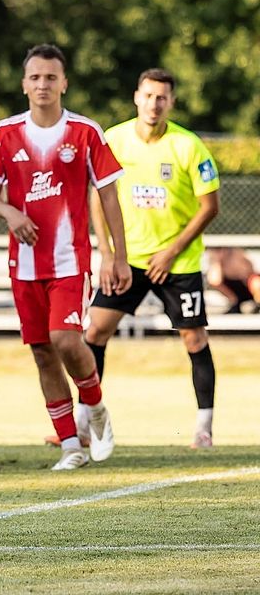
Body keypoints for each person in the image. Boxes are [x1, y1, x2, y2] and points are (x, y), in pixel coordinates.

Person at [0, 44, 129, 471]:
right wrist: (11, 213)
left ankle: (95, 406)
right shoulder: (4, 133)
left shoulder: (85, 132)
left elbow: (109, 196)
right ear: (24, 85)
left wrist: (117, 256)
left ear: (64, 84)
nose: (42, 84)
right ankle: (70, 446)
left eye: (50, 77)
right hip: (24, 264)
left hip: (69, 261)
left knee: (65, 339)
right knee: (43, 352)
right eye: (35, 77)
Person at [85, 68, 221, 449]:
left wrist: (171, 251)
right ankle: (83, 422)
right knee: (94, 331)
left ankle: (204, 428)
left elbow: (209, 207)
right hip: (127, 260)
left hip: (177, 262)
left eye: (161, 97)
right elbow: (97, 197)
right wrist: (107, 253)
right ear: (136, 97)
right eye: (148, 96)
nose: (154, 104)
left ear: (171, 102)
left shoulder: (189, 146)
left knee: (194, 337)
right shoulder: (114, 140)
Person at [207, 248, 260, 314]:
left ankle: (258, 304)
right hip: (234, 292)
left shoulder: (236, 253)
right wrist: (218, 261)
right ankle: (235, 304)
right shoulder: (216, 260)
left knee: (256, 281)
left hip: (247, 286)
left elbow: (249, 270)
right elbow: (214, 281)